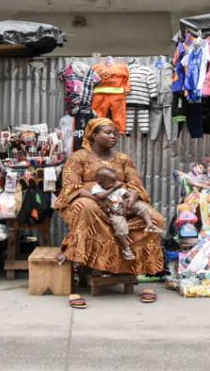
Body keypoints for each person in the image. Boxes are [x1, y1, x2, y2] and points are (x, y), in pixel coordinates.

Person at [55, 118, 164, 305]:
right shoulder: (78, 158)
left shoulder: (123, 159)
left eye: (115, 133)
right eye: (107, 132)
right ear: (94, 135)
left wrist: (132, 197)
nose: (113, 136)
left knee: (155, 218)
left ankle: (134, 267)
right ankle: (85, 264)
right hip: (93, 204)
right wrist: (96, 198)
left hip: (122, 206)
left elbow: (135, 184)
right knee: (86, 207)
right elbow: (71, 187)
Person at [91, 167, 162, 261]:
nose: (115, 183)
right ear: (100, 182)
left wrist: (127, 201)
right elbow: (101, 196)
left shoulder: (116, 186)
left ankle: (150, 224)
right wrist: (114, 189)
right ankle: (126, 248)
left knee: (141, 206)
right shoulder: (97, 188)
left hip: (124, 207)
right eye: (112, 181)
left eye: (115, 180)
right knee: (120, 228)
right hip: (114, 212)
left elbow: (127, 195)